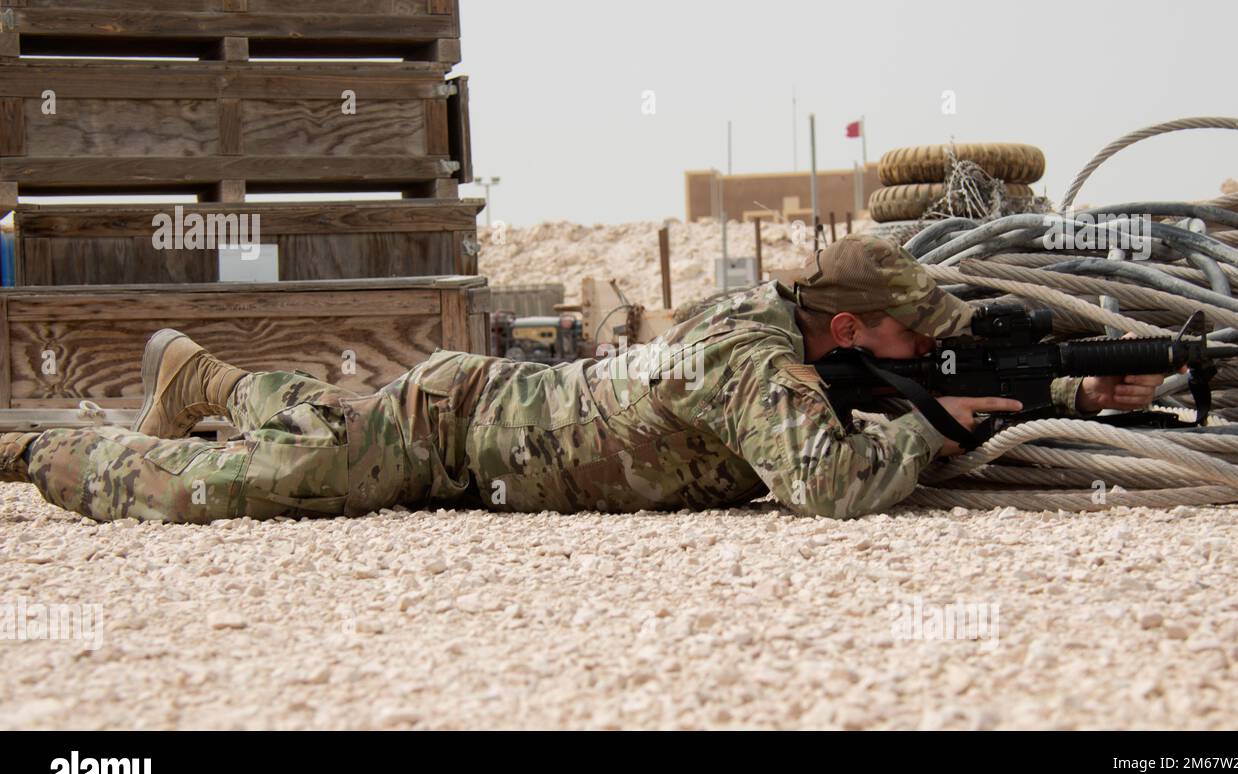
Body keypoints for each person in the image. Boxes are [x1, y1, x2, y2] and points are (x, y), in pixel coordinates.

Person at [0, 235, 1163, 522]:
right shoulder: (751, 358)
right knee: (245, 490)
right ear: (851, 322)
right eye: (916, 337)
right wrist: (950, 430)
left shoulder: (801, 337)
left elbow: (893, 390)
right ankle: (36, 451)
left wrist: (1062, 395)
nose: (925, 355)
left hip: (471, 413)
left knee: (322, 425)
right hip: (451, 437)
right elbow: (829, 486)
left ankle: (206, 379)